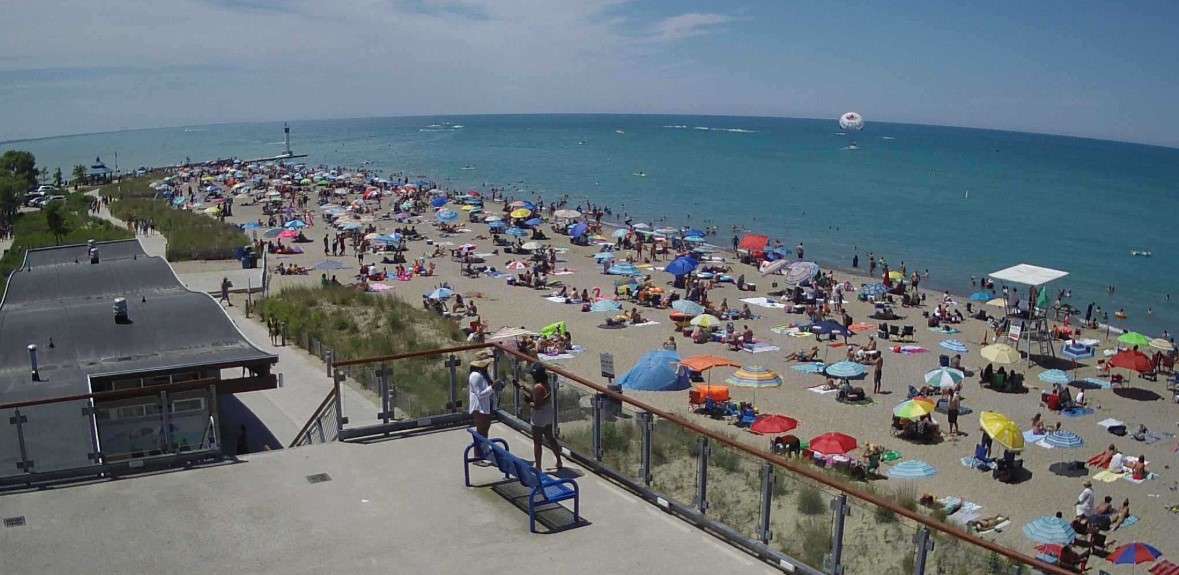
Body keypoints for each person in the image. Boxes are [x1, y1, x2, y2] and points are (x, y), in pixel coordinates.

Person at [517, 362, 563, 471]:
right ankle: (559, 461)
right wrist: (525, 389)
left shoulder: (538, 387)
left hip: (539, 416)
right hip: (548, 413)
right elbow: (539, 397)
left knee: (537, 442)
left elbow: (537, 405)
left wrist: (528, 402)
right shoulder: (546, 384)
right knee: (550, 437)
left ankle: (538, 467)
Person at [467, 351, 497, 459]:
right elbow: (480, 394)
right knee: (480, 431)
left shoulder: (483, 374)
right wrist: (492, 387)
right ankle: (477, 456)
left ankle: (484, 451)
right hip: (479, 408)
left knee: (485, 430)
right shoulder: (475, 376)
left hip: (485, 406)